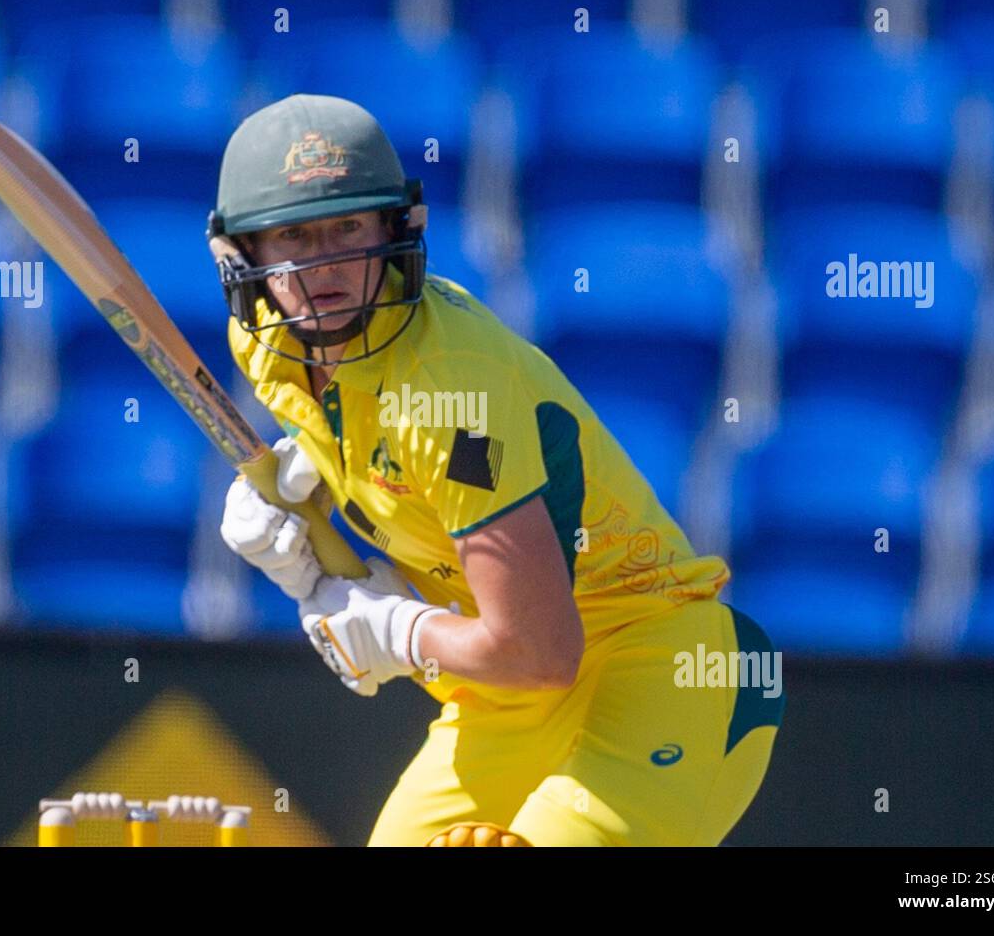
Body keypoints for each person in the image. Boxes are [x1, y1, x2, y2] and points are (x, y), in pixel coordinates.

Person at [207, 93, 784, 846]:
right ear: (244, 256)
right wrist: (307, 538)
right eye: (292, 237)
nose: (323, 266)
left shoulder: (449, 390)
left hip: (665, 662)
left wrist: (399, 631)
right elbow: (402, 485)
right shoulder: (265, 347)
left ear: (395, 228)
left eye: (347, 226)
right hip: (502, 697)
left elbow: (539, 649)